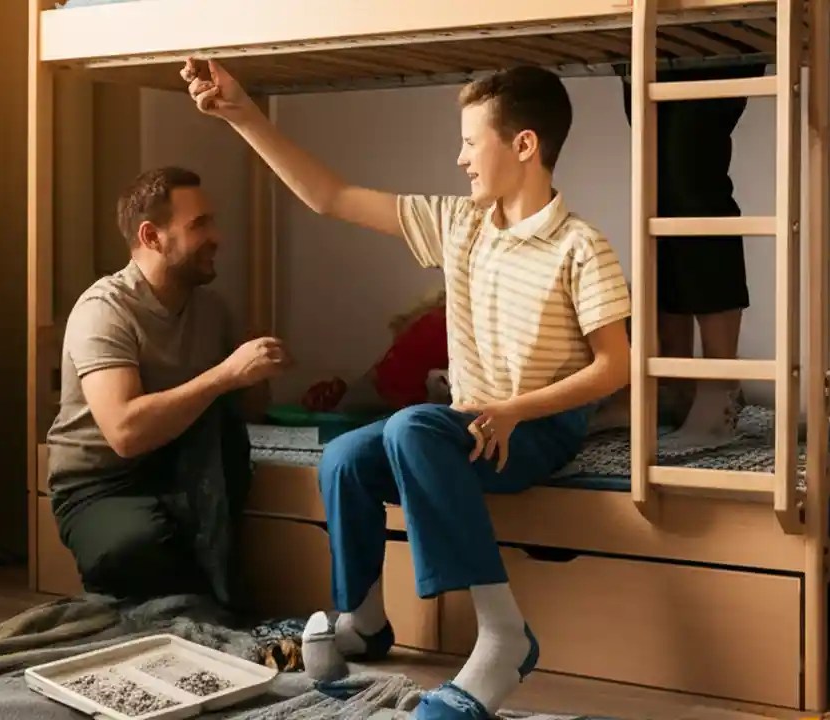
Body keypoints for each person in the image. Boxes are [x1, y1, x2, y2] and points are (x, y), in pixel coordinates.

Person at [180, 61, 631, 718]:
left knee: (409, 426)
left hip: (537, 425)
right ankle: (362, 619)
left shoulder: (580, 246)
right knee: (345, 456)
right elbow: (330, 196)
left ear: (524, 145)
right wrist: (243, 111)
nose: (460, 158)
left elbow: (613, 368)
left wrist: (513, 410)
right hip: (473, 425)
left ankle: (503, 636)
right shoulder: (463, 225)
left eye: (471, 142)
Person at [45, 166, 290, 606]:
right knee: (136, 549)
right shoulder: (104, 310)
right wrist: (225, 374)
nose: (217, 237)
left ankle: (203, 588)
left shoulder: (211, 310)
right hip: (101, 483)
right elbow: (124, 432)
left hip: (178, 471)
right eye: (199, 225)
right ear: (152, 237)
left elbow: (245, 412)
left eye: (212, 222)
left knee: (221, 430)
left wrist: (258, 371)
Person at [592, 63, 766, 449]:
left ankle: (719, 391)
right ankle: (674, 385)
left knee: (691, 182)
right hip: (650, 28)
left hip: (706, 29)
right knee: (659, 189)